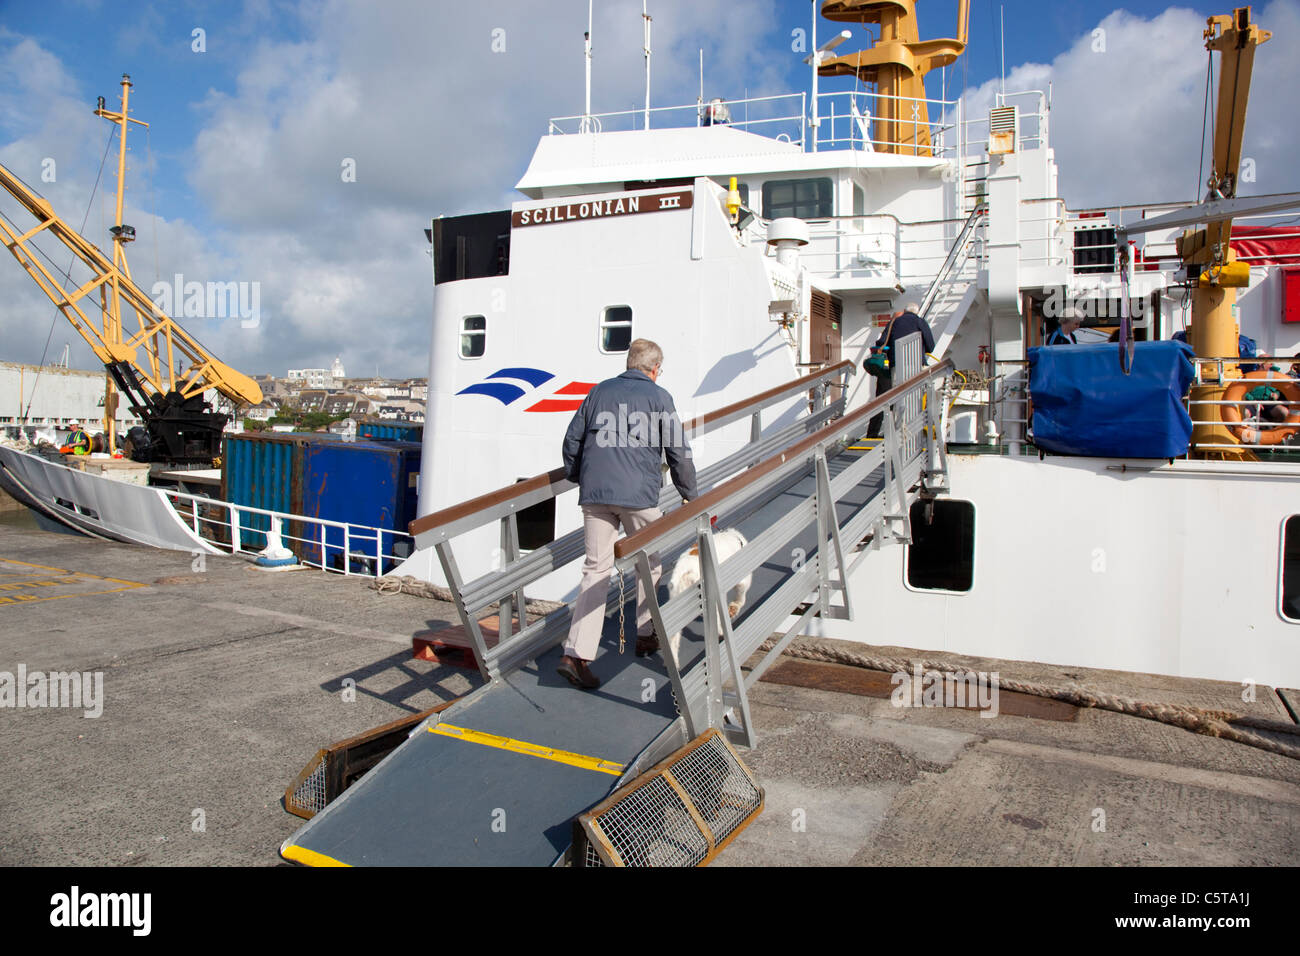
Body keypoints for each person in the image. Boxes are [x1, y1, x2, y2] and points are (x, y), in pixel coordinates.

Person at [557, 338, 698, 690]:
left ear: (628, 363)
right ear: (654, 369)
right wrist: (690, 496)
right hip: (638, 496)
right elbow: (678, 452)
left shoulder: (598, 392)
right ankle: (646, 635)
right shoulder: (659, 397)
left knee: (595, 570)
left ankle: (575, 654)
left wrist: (581, 477)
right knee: (648, 564)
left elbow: (572, 441)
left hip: (596, 494)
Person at [866, 303, 933, 438]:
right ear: (917, 311)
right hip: (915, 365)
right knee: (914, 397)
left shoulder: (894, 322)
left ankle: (895, 432)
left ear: (904, 311)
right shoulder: (920, 322)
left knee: (896, 397)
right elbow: (931, 345)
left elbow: (882, 341)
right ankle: (910, 432)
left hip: (896, 365)